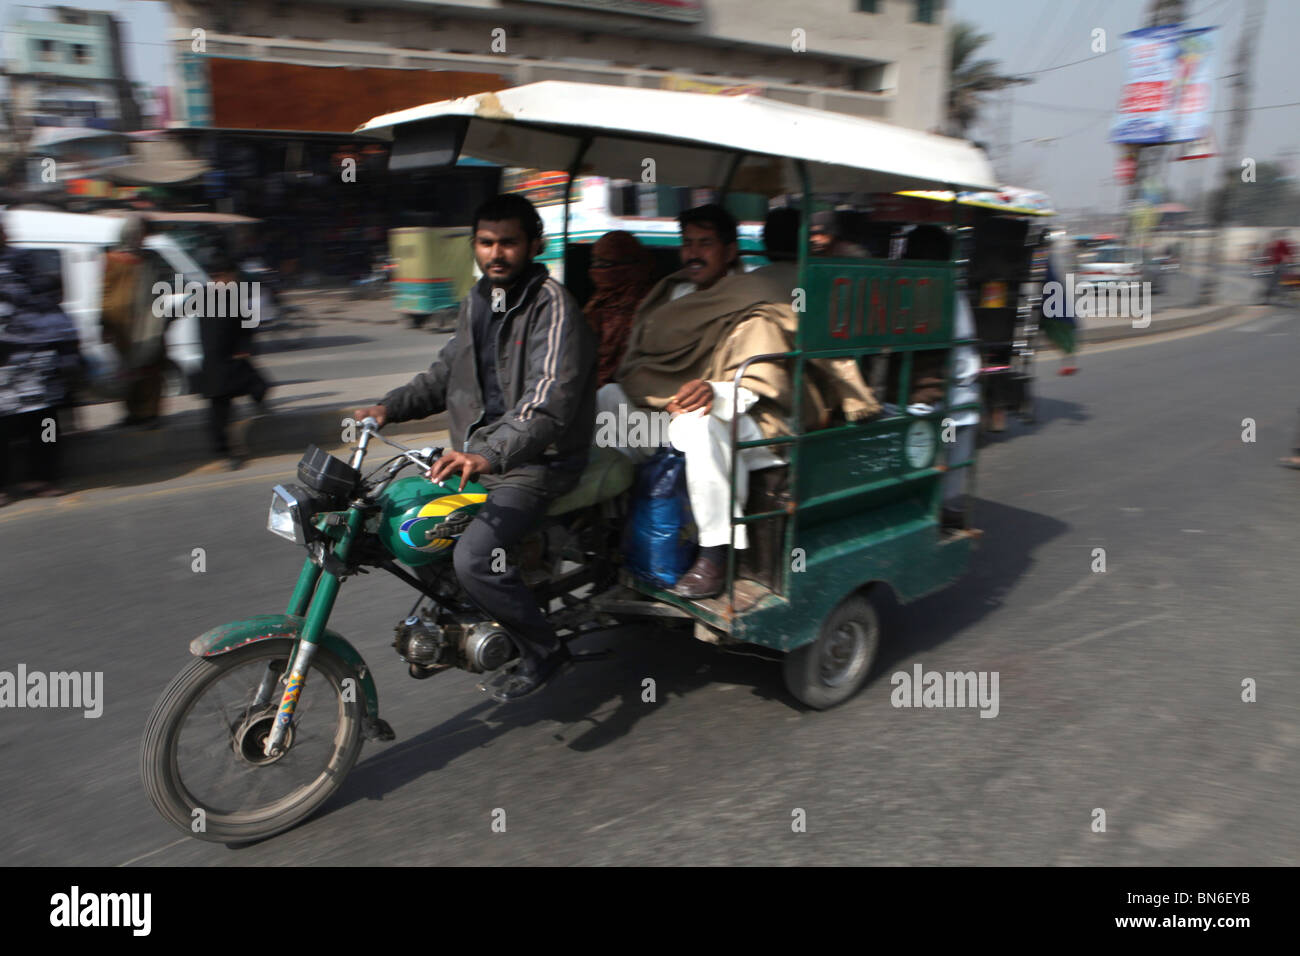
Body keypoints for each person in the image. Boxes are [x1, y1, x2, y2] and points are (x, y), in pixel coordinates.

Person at [354, 193, 595, 702]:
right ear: (474, 247)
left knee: (476, 559)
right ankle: (481, 615)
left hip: (535, 461)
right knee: (401, 521)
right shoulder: (477, 301)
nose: (497, 253)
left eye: (509, 242)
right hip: (476, 453)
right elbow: (444, 376)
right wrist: (387, 408)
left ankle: (544, 650)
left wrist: (490, 454)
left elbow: (547, 402)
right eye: (486, 242)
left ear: (534, 244)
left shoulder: (553, 305)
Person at [607, 204, 876, 598]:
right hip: (666, 409)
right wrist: (665, 396)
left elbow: (757, 377)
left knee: (699, 424)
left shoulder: (757, 296)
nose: (693, 253)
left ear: (731, 251)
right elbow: (642, 359)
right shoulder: (672, 291)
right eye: (688, 243)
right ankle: (615, 518)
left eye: (705, 244)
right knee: (607, 398)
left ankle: (714, 554)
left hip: (754, 418)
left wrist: (712, 390)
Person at [0, 221, 82, 504]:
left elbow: (50, 311)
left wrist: (66, 353)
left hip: (37, 369)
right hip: (4, 373)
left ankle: (42, 478)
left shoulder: (23, 264)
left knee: (45, 426)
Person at [198, 251, 270, 470]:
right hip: (223, 363)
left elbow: (246, 325)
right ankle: (229, 453)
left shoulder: (211, 295)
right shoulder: (222, 295)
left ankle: (229, 451)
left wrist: (244, 348)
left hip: (224, 362)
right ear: (224, 275)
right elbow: (246, 325)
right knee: (221, 412)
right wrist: (244, 348)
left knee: (253, 387)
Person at [100, 214, 166, 428]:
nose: (141, 238)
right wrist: (104, 323)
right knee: (129, 371)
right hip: (122, 326)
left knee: (150, 368)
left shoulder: (150, 259)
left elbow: (159, 291)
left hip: (148, 322)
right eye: (139, 234)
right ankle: (134, 413)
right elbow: (105, 291)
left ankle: (150, 413)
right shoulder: (112, 259)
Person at [584, 230, 653, 388]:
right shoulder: (597, 301)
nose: (597, 270)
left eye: (606, 264)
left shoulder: (648, 303)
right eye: (595, 263)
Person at [1263, 232, 1293, 304]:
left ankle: (1281, 298)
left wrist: (1287, 259)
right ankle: (1269, 299)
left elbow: (1288, 253)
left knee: (1279, 282)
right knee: (1272, 282)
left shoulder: (1282, 243)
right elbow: (1267, 255)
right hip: (1275, 265)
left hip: (1281, 265)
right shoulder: (1270, 245)